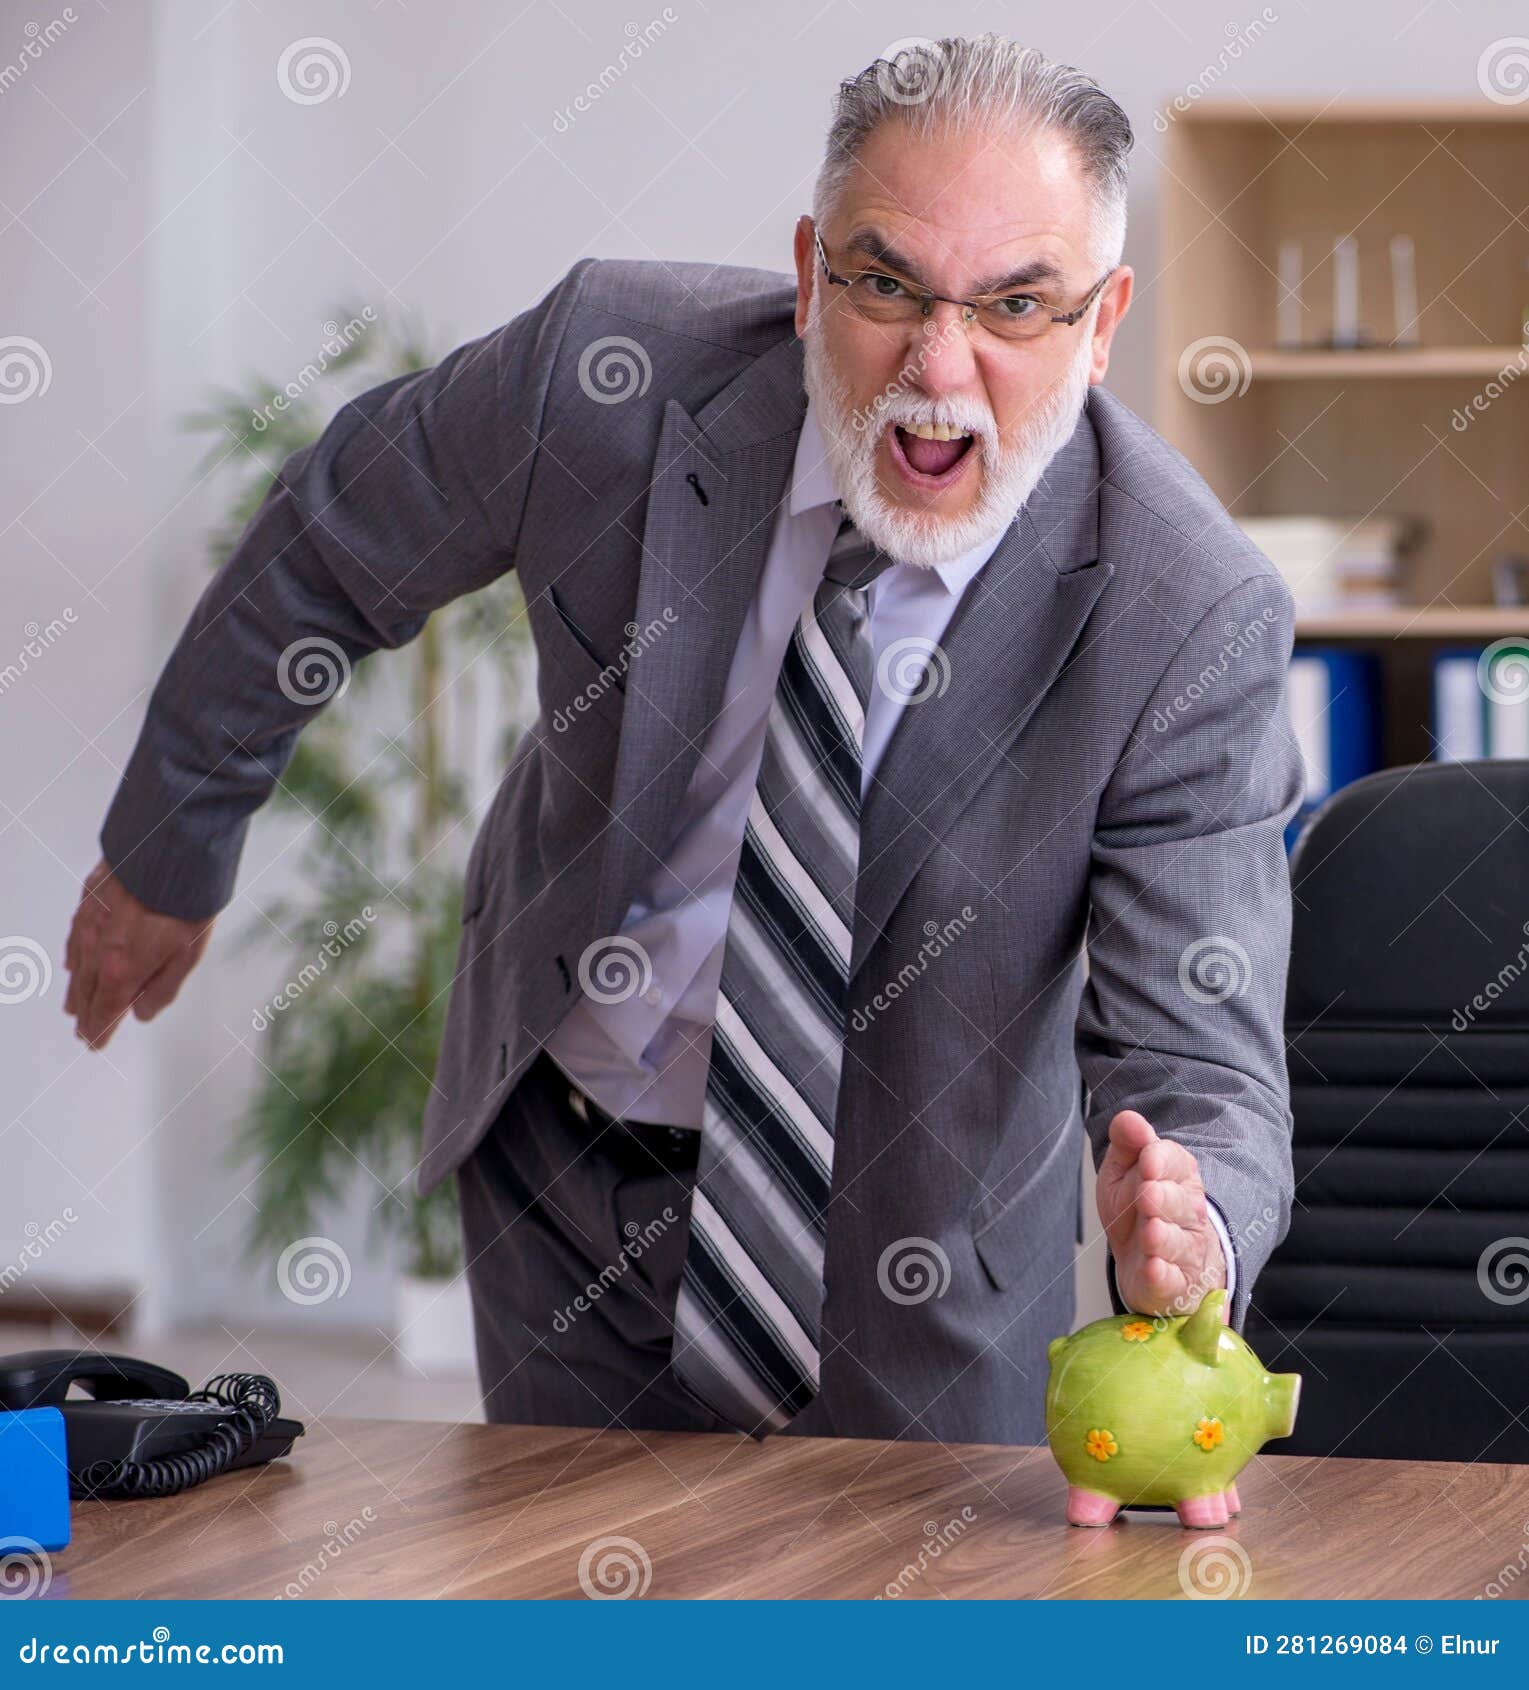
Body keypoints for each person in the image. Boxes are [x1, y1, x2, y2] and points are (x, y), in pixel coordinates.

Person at [64, 35, 1302, 1445]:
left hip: (912, 1254)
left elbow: (1197, 1044)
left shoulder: (1183, 611)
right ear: (807, 269)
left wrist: (1192, 1223)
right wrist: (171, 846)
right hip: (559, 1187)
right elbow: (330, 541)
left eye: (1015, 305)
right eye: (885, 283)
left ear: (1100, 325)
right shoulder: (603, 377)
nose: (937, 363)